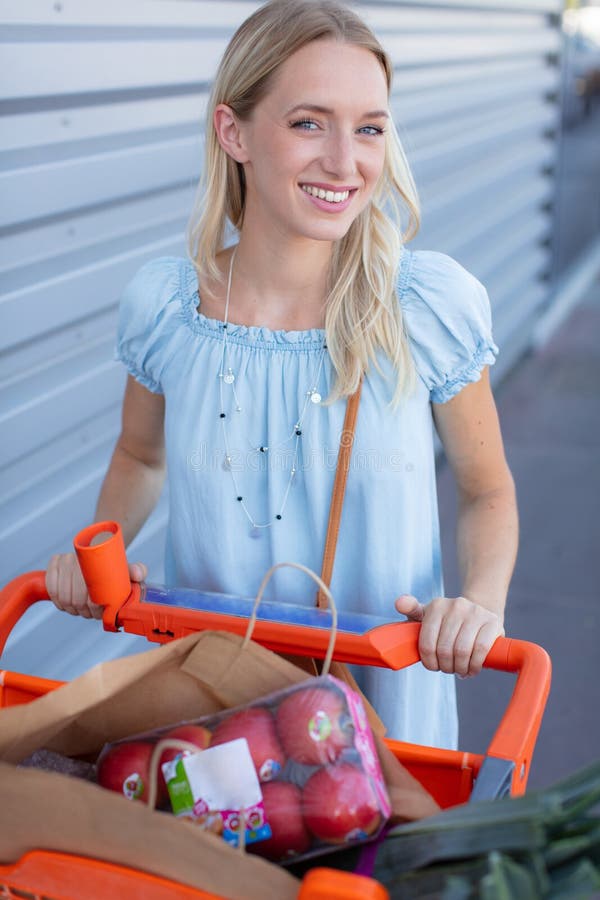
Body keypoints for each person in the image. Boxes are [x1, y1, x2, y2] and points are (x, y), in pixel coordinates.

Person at [45, 0, 517, 749]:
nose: (345, 161)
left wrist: (480, 604)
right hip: (210, 719)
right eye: (308, 123)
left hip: (382, 722)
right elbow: (141, 455)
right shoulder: (169, 310)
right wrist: (90, 547)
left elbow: (486, 489)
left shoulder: (423, 309)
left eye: (369, 127)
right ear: (234, 132)